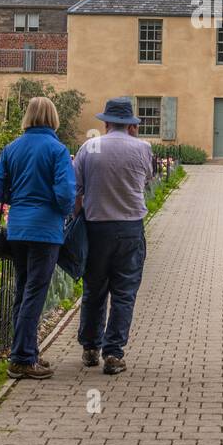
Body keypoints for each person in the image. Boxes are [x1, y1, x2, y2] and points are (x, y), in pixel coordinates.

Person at [0, 96, 76, 380]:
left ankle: (24, 350)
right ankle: (23, 358)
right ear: (53, 117)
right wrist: (62, 212)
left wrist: (21, 199)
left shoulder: (11, 148)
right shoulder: (57, 149)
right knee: (35, 293)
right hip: (45, 229)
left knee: (23, 290)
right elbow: (65, 193)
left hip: (18, 228)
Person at [73, 98, 155, 375]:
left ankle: (90, 346)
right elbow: (145, 180)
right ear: (131, 125)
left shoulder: (90, 146)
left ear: (106, 122)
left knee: (94, 289)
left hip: (96, 227)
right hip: (130, 226)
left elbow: (77, 188)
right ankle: (113, 352)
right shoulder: (143, 147)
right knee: (124, 292)